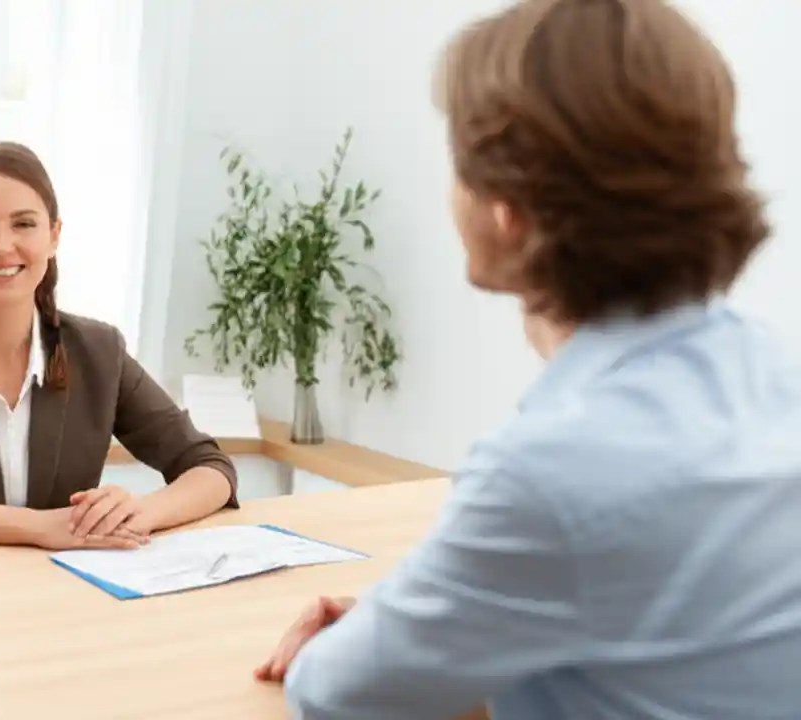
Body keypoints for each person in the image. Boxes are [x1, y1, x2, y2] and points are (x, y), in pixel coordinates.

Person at [258, 0, 801, 718]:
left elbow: (339, 694)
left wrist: (403, 630)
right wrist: (456, 621)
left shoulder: (554, 468)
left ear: (506, 209)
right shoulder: (771, 378)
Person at [0, 142, 237, 548]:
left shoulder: (98, 351)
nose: (1, 245)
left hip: (58, 594)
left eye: (24, 224)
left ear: (54, 236)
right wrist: (42, 528)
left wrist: (140, 513)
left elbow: (209, 467)